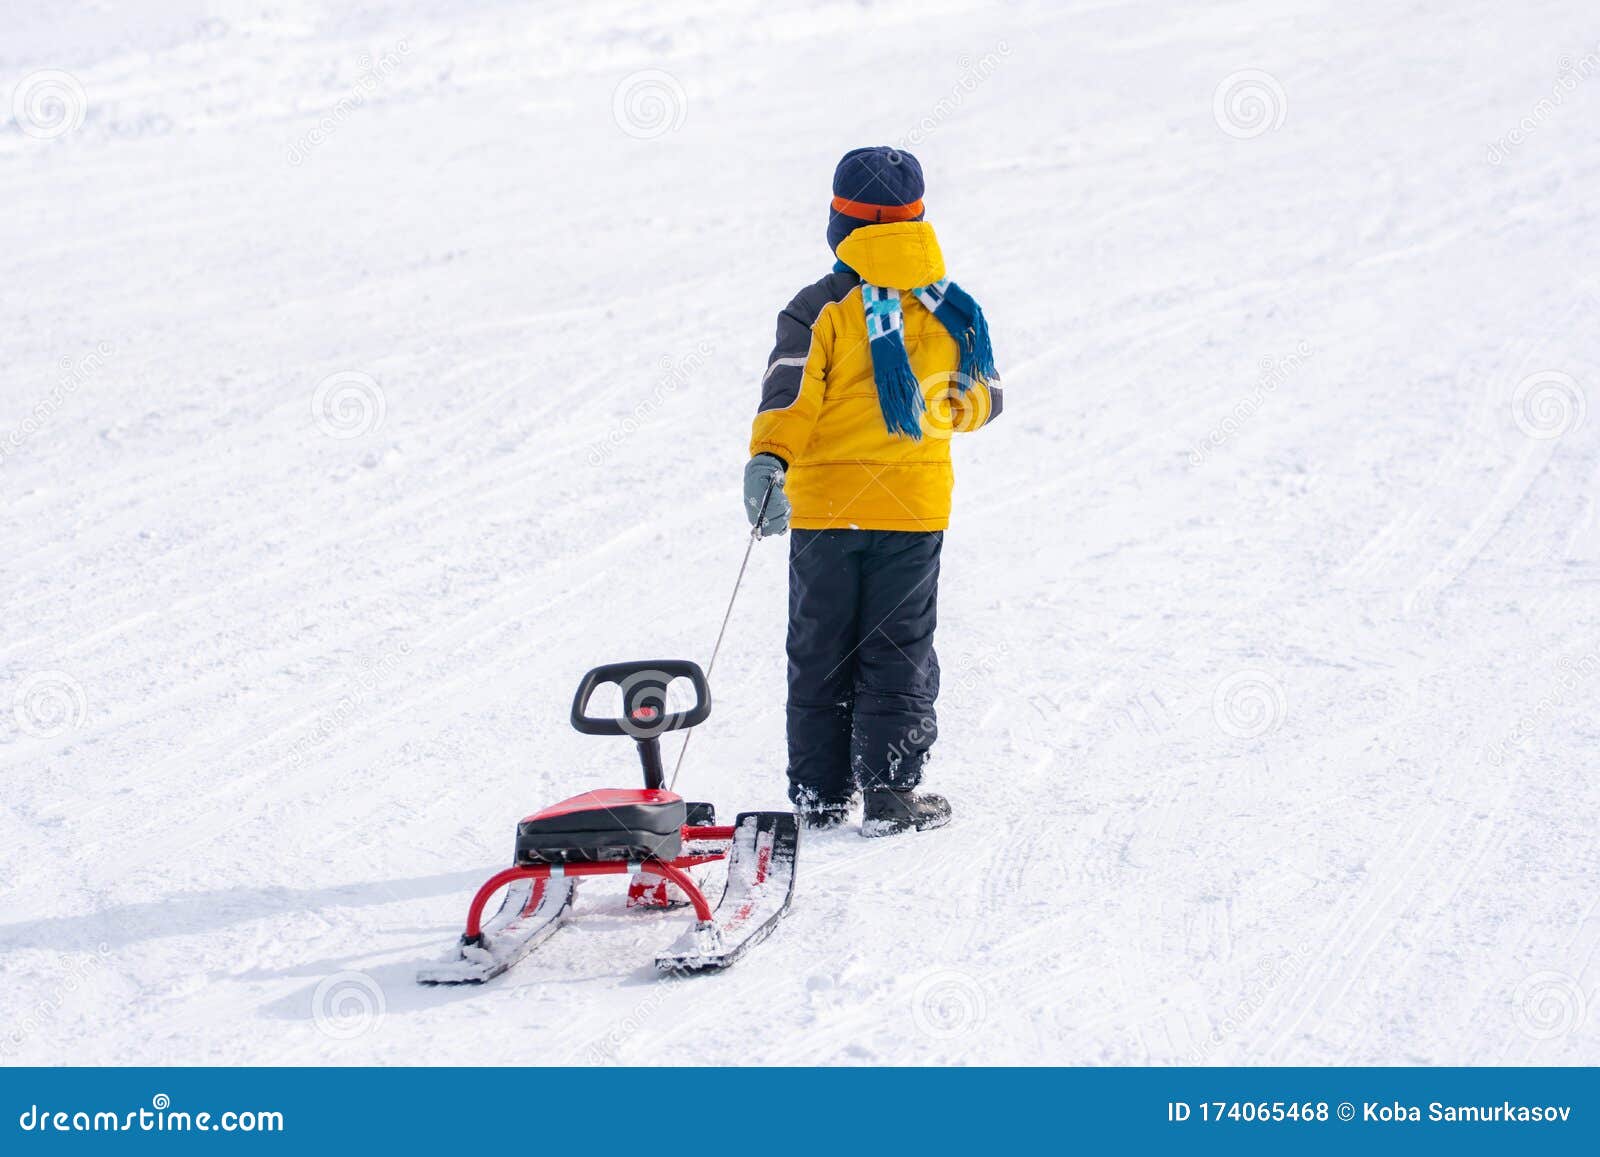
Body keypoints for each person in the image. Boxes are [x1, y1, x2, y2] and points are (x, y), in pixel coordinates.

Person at [742, 146, 1002, 837]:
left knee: (820, 644)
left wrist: (769, 461)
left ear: (839, 225)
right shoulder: (951, 306)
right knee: (898, 647)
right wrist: (928, 412)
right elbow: (984, 402)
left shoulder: (818, 308)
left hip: (827, 513)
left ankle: (820, 795)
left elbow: (791, 395)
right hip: (912, 512)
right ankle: (889, 791)